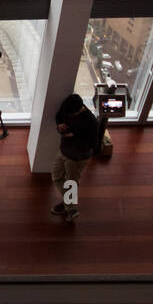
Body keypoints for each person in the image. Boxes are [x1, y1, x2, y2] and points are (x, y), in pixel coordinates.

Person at [50, 93, 97, 223]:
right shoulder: (68, 108)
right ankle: (68, 204)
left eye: (71, 116)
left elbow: (93, 145)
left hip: (77, 158)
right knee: (56, 176)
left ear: (78, 110)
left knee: (71, 182)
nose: (68, 117)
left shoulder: (91, 122)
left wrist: (74, 136)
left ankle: (70, 208)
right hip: (64, 151)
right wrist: (59, 125)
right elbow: (59, 116)